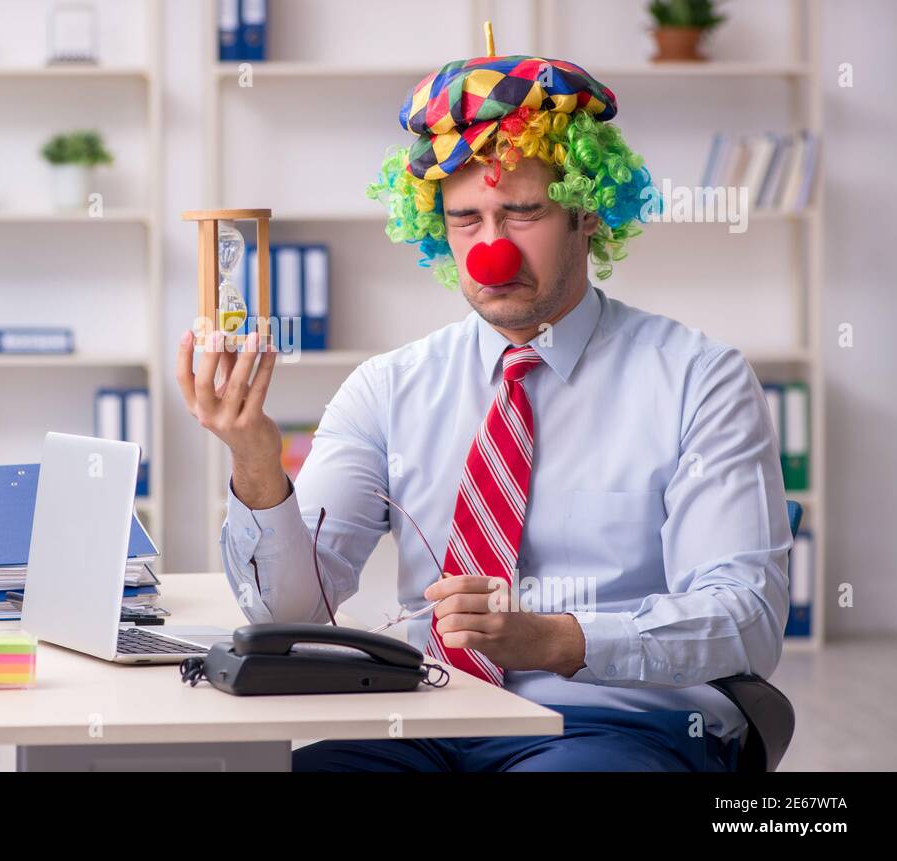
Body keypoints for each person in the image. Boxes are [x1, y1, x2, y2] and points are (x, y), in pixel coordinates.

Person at [175, 44, 792, 772]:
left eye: (522, 211)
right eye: (466, 219)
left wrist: (556, 638)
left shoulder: (699, 379)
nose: (490, 249)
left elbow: (746, 617)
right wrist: (254, 460)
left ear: (588, 210)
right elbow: (289, 616)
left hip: (612, 726)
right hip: (424, 719)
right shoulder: (388, 387)